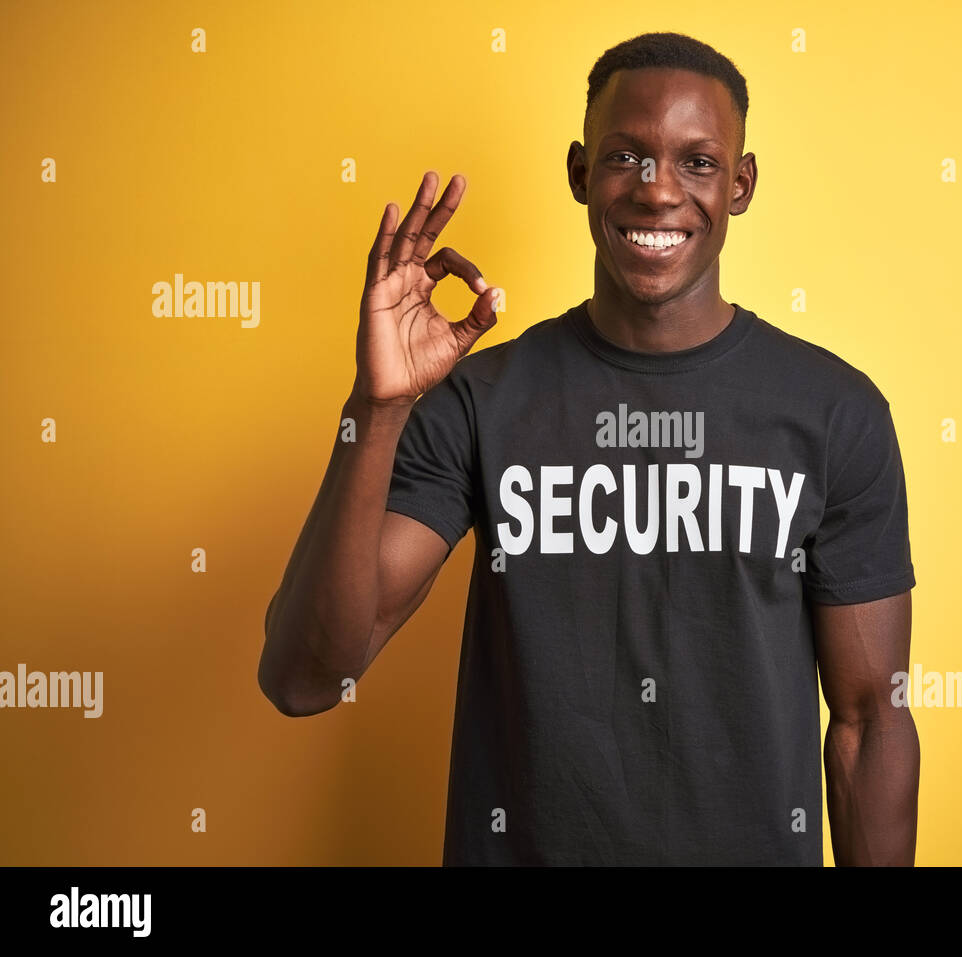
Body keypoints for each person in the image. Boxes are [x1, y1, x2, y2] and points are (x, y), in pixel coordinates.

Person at [258, 31, 919, 866]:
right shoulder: (481, 401)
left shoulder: (834, 414)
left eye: (699, 163)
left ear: (742, 184)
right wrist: (377, 408)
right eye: (626, 157)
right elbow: (305, 677)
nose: (658, 192)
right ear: (579, 172)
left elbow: (869, 723)